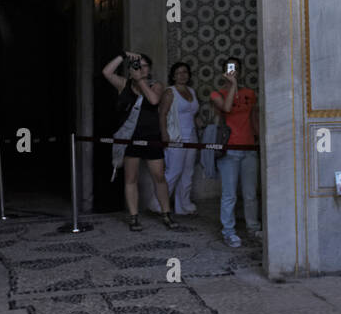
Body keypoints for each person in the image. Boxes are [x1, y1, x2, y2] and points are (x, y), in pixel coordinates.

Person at [102, 49, 177, 232]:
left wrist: (141, 80)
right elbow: (106, 72)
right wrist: (122, 55)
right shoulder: (124, 84)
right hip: (130, 139)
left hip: (151, 137)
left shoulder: (155, 85)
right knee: (131, 178)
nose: (141, 69)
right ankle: (134, 217)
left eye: (144, 66)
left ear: (149, 69)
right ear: (130, 68)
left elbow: (152, 100)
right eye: (138, 65)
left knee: (159, 177)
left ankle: (166, 214)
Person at [210, 56, 261, 248]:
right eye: (230, 68)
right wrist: (232, 86)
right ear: (224, 71)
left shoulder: (250, 93)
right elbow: (227, 108)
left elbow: (254, 117)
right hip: (229, 149)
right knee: (229, 194)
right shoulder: (217, 94)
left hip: (249, 149)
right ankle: (229, 232)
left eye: (237, 69)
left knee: (250, 194)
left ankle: (253, 228)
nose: (234, 71)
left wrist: (258, 140)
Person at [157, 62, 200, 215]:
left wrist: (199, 129)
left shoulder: (192, 91)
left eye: (185, 72)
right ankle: (158, 204)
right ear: (173, 76)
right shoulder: (170, 92)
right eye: (179, 73)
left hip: (192, 136)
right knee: (174, 171)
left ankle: (183, 205)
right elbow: (162, 114)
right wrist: (164, 135)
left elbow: (192, 114)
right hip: (175, 136)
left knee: (188, 172)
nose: (182, 75)